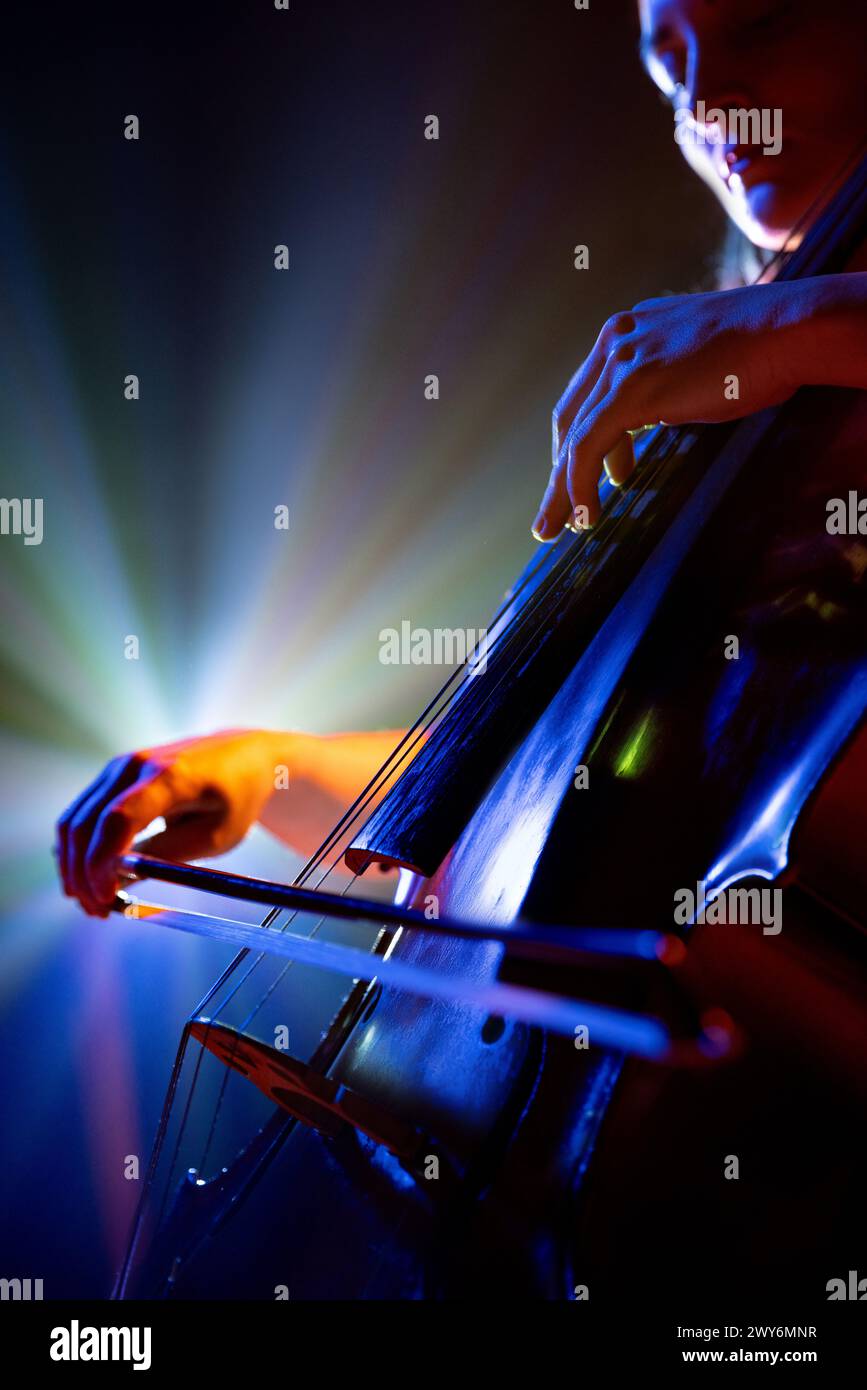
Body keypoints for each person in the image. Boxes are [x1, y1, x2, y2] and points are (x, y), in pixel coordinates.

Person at [57, 0, 867, 918]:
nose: (707, 106)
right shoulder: (733, 383)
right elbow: (560, 776)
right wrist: (269, 768)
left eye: (760, 26)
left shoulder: (775, 345)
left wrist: (790, 321)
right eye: (668, 76)